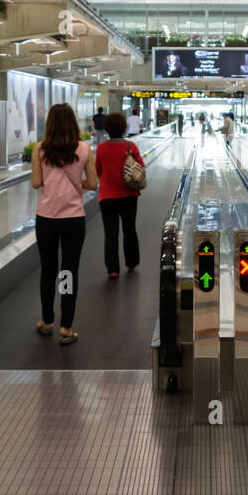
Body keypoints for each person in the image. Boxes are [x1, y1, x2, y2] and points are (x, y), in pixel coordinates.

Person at [31, 102, 97, 345]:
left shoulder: (40, 149)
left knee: (48, 270)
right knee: (69, 271)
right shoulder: (83, 149)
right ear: (73, 122)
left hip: (46, 218)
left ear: (49, 124)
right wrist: (75, 180)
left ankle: (47, 320)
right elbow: (92, 184)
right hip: (73, 219)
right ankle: (66, 327)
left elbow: (36, 183)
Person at [94, 112, 143, 279]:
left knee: (111, 233)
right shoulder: (131, 147)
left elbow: (98, 171)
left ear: (106, 128)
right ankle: (131, 262)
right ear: (125, 127)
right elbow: (141, 168)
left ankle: (113, 269)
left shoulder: (101, 148)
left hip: (107, 197)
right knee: (129, 229)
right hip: (129, 195)